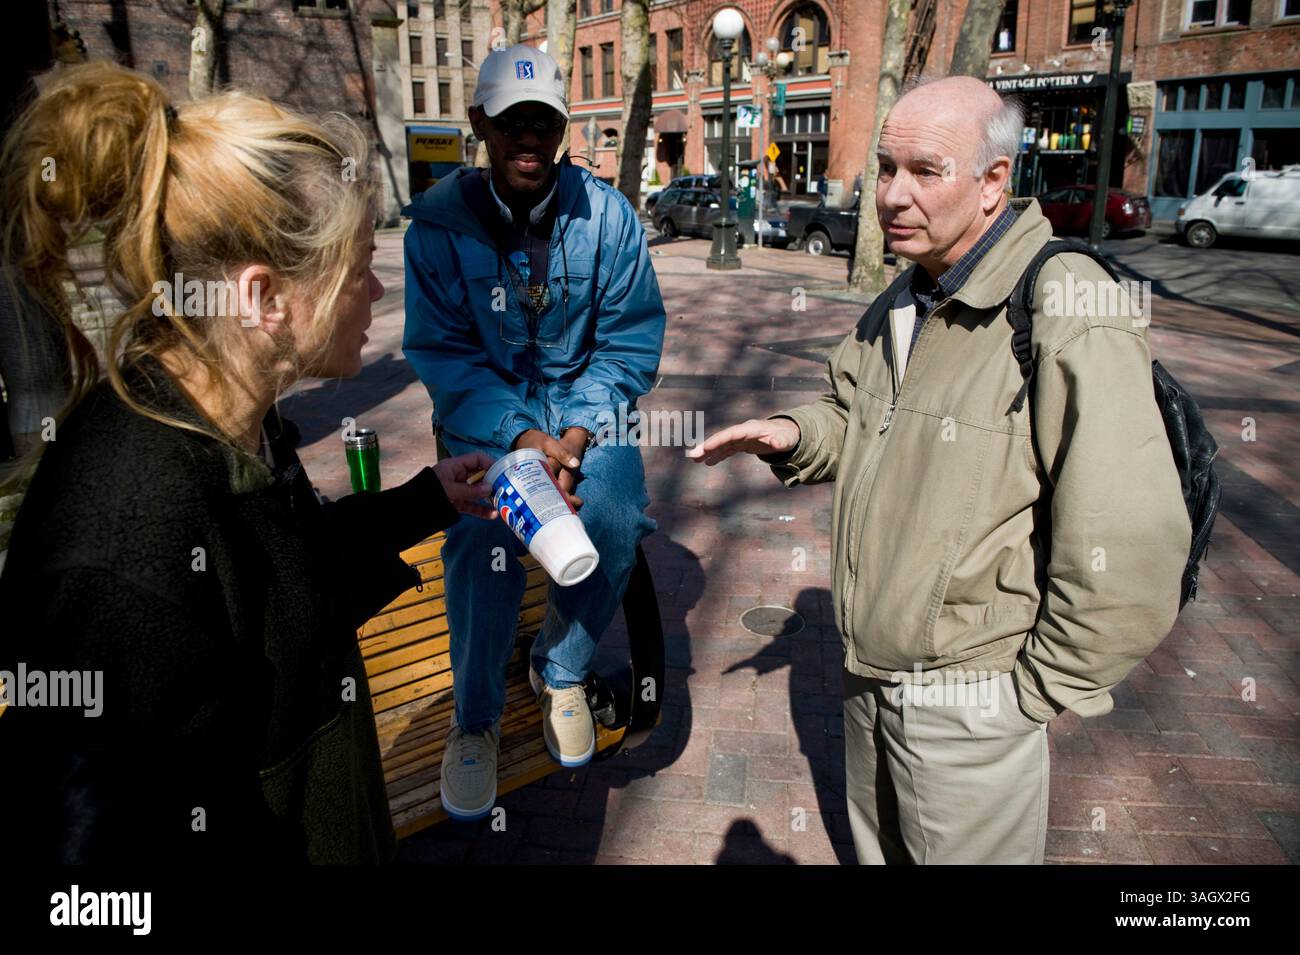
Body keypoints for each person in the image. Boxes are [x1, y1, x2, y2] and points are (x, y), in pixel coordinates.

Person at [0, 61, 496, 863]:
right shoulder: (121, 540)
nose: (375, 290)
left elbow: (282, 590)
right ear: (264, 298)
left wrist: (420, 502)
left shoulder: (242, 423)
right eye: (359, 263)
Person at [687, 76, 1190, 864]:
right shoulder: (909, 290)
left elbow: (1132, 536)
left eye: (925, 171)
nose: (892, 194)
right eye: (885, 169)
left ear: (994, 183)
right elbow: (853, 414)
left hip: (972, 699)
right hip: (867, 678)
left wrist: (1028, 695)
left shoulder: (1069, 301)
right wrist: (791, 432)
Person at [402, 44, 664, 821]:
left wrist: (577, 436)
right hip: (486, 416)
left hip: (586, 412)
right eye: (511, 121)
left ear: (559, 127)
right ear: (480, 122)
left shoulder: (607, 215)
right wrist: (520, 437)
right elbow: (444, 355)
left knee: (614, 513)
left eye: (542, 122)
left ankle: (559, 666)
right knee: (484, 539)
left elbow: (627, 342)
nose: (528, 138)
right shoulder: (436, 228)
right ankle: (474, 719)